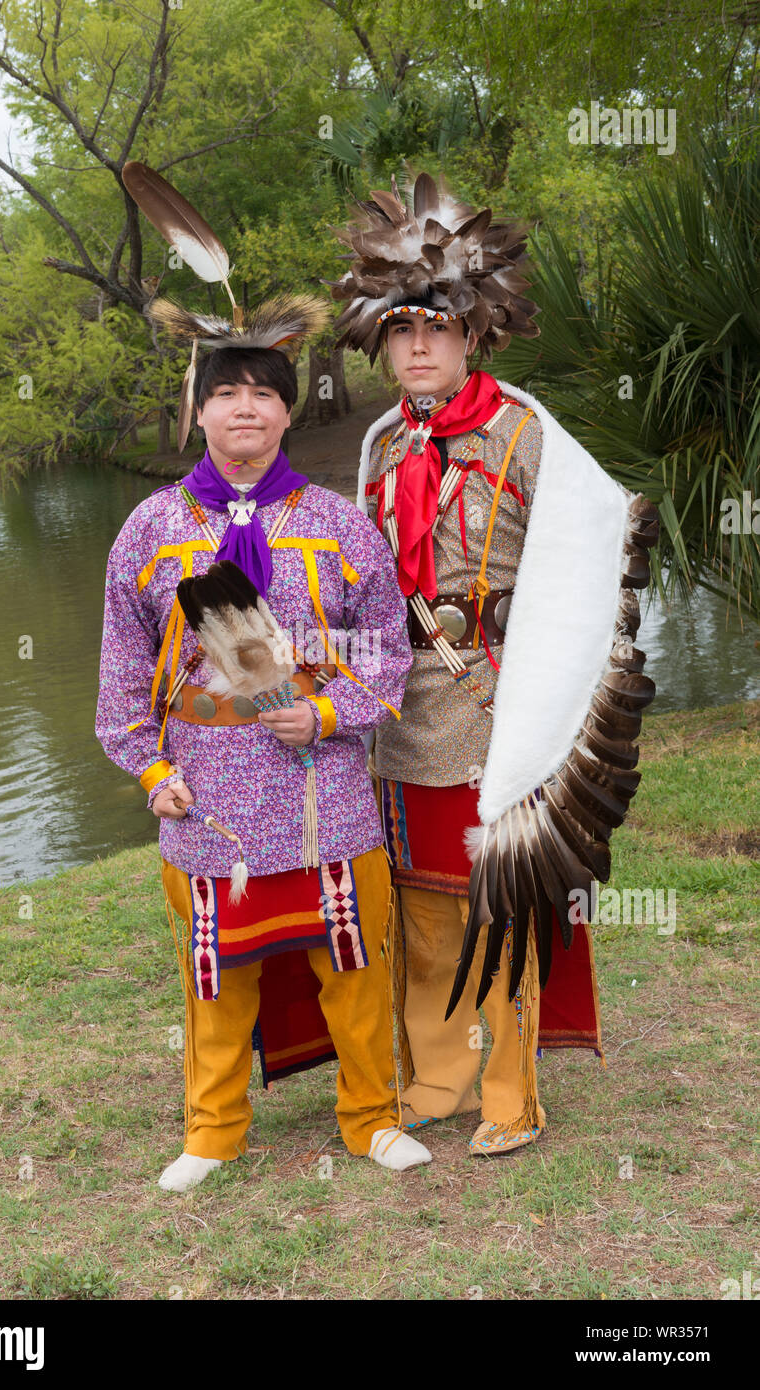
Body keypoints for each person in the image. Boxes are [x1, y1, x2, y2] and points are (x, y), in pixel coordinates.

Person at [95, 162, 431, 1193]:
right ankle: (213, 1128)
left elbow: (390, 645)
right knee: (216, 977)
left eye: (264, 394)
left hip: (324, 785)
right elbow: (120, 676)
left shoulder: (340, 523)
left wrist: (331, 711)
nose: (246, 408)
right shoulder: (152, 529)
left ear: (289, 411)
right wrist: (153, 774)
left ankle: (371, 1116)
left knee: (353, 965)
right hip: (207, 787)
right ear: (198, 410)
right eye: (226, 392)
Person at [331, 172, 658, 1156]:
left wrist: (552, 654)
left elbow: (607, 531)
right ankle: (438, 1078)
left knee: (498, 898)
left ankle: (511, 1095)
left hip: (500, 701)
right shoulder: (383, 442)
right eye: (403, 328)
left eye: (438, 325)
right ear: (384, 340)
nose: (419, 343)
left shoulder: (522, 430)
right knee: (424, 900)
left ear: (473, 330)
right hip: (404, 708)